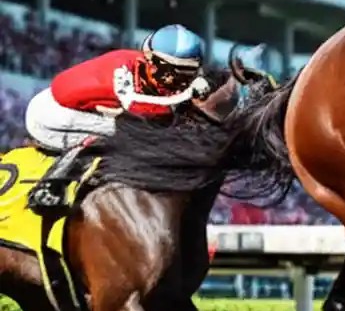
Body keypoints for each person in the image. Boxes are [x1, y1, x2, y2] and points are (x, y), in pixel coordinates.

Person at [24, 23, 210, 209]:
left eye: (187, 75)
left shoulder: (144, 66)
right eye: (172, 73)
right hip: (52, 116)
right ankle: (50, 185)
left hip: (74, 106)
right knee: (124, 133)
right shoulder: (123, 81)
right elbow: (159, 116)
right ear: (152, 61)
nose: (177, 82)